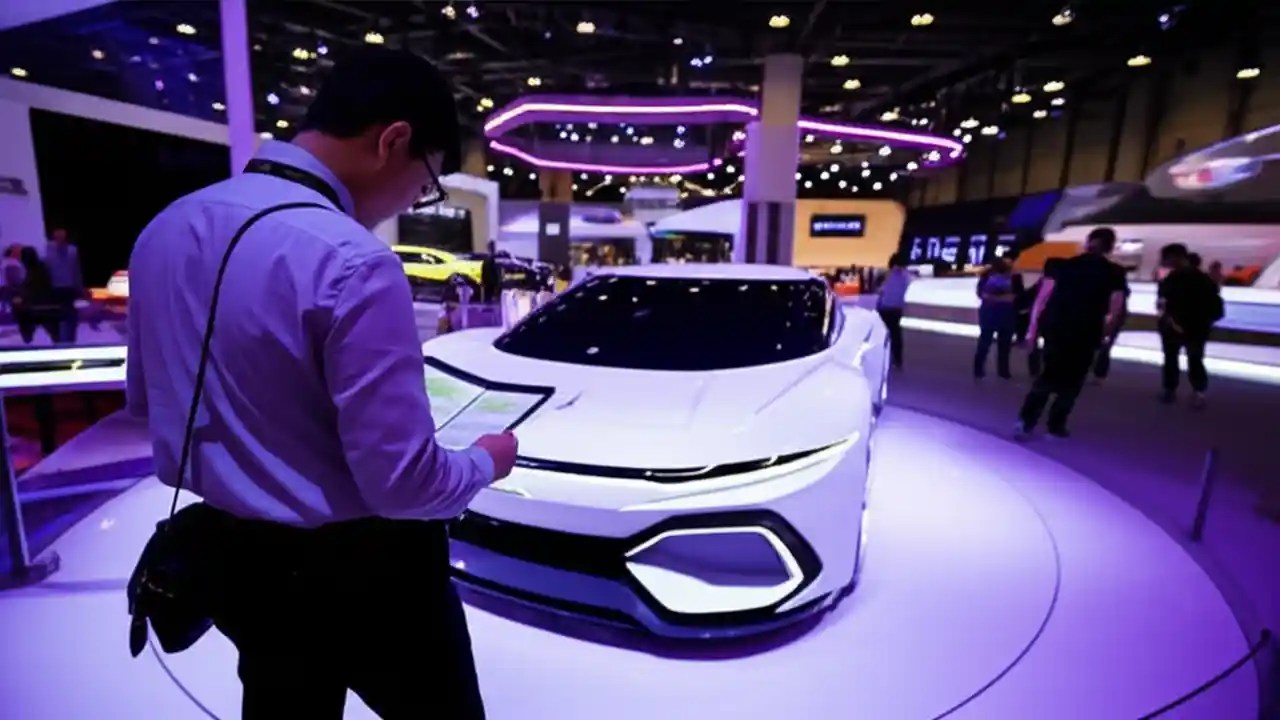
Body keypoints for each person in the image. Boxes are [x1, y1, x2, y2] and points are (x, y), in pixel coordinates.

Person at [126, 47, 517, 719]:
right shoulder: (353, 262)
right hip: (370, 572)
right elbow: (403, 484)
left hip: (237, 560)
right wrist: (487, 461)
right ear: (392, 141)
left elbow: (144, 402)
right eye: (427, 181)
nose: (416, 199)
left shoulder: (164, 228)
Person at [1016, 227, 1128, 439]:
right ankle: (1055, 426)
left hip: (1056, 330)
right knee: (1072, 383)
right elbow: (1115, 309)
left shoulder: (1059, 265)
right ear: (1111, 247)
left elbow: (1041, 300)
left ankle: (1025, 421)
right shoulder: (1115, 273)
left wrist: (1032, 331)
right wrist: (1105, 336)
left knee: (1047, 377)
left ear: (1087, 243)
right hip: (1086, 333)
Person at [1156, 243, 1222, 407]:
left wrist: (1165, 320)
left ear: (1177, 257)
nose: (1165, 261)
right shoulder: (1204, 279)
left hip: (1175, 325)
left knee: (1172, 358)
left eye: (1167, 258)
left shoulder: (1171, 280)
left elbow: (1162, 304)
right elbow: (1214, 305)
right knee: (1195, 358)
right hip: (1198, 327)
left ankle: (1170, 390)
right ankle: (1199, 391)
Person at [973, 257, 1017, 379]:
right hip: (1005, 314)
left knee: (985, 341)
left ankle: (979, 369)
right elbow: (1017, 295)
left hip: (989, 313)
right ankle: (1003, 371)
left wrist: (994, 297)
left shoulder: (986, 278)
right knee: (1004, 344)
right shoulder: (1012, 279)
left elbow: (982, 294)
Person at [43, 227, 83, 343]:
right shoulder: (47, 249)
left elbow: (76, 270)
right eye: (58, 232)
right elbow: (46, 269)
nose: (60, 234)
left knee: (70, 317)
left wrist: (79, 288)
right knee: (58, 316)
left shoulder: (72, 250)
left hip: (69, 288)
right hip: (54, 288)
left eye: (62, 232)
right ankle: (60, 340)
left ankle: (69, 340)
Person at [876, 254, 911, 370]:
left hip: (885, 308)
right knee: (896, 334)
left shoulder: (888, 274)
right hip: (897, 308)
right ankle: (897, 359)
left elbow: (881, 290)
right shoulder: (906, 276)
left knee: (883, 334)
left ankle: (882, 358)